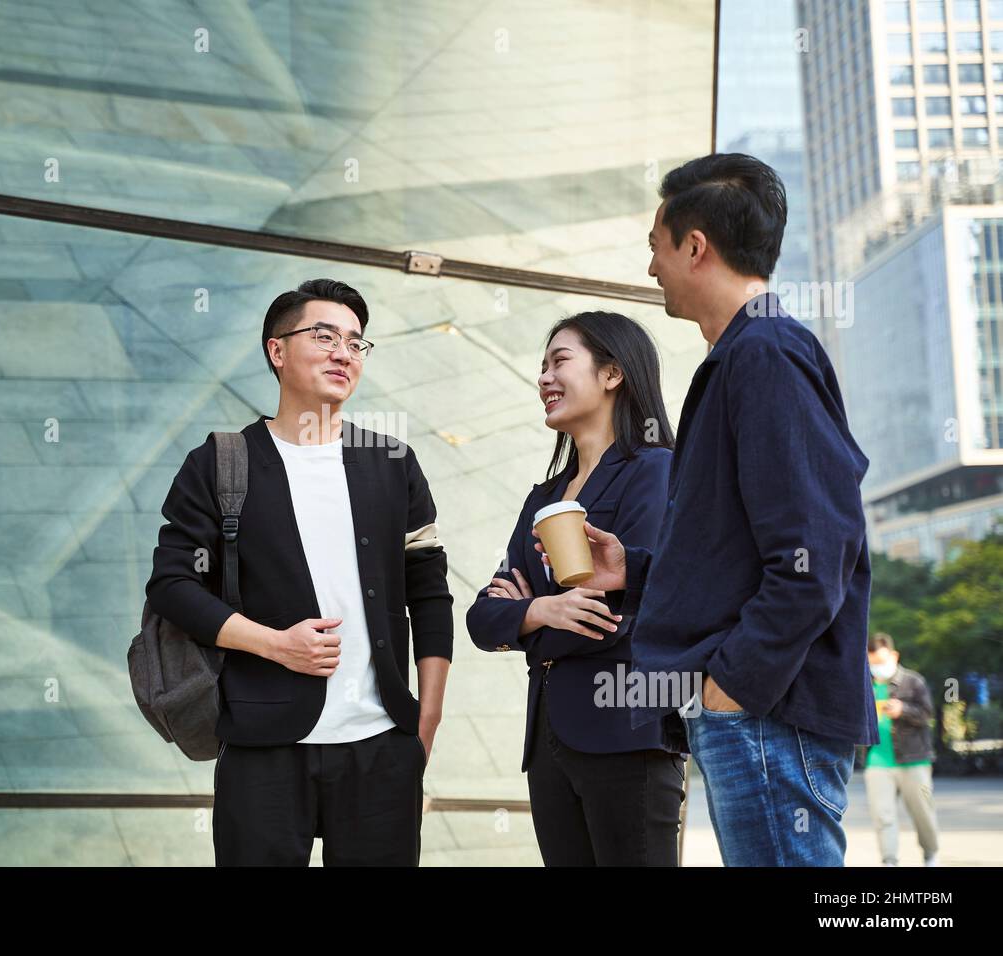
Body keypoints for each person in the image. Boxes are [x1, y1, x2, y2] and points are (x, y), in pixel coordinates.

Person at [544, 153, 877, 867]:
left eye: (657, 248)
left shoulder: (766, 355)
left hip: (766, 712)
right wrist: (631, 570)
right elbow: (745, 555)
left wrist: (733, 687)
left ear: (695, 246)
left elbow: (816, 553)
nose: (652, 268)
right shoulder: (748, 357)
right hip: (758, 711)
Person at [145, 278, 453, 866]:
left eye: (357, 343)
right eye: (324, 336)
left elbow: (429, 591)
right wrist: (274, 646)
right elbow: (172, 585)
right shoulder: (220, 461)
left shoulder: (392, 462)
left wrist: (425, 718)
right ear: (277, 350)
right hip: (264, 742)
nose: (344, 352)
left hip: (381, 744)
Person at [467, 311, 686, 866]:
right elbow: (479, 620)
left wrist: (525, 618)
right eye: (541, 366)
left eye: (559, 361)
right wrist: (543, 609)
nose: (544, 377)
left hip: (626, 731)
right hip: (548, 744)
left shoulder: (655, 471)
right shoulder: (543, 496)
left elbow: (621, 616)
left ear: (612, 374)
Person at [864, 633, 940, 866]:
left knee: (922, 814)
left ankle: (931, 854)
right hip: (876, 761)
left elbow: (928, 714)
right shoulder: (863, 684)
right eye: (873, 663)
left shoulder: (913, 681)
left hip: (914, 760)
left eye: (882, 662)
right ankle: (889, 861)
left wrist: (903, 709)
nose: (878, 668)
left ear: (894, 656)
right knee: (883, 816)